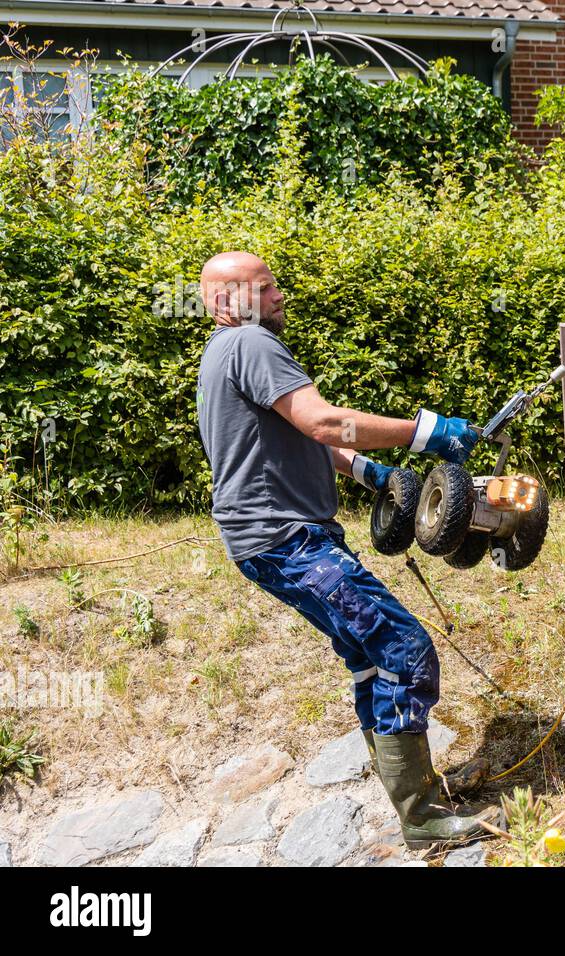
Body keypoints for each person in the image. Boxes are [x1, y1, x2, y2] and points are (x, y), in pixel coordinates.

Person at [195, 250, 495, 848]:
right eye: (264, 287)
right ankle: (423, 820)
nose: (279, 296)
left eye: (276, 285)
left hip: (275, 538)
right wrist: (426, 432)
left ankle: (420, 792)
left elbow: (303, 432)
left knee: (369, 659)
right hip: (287, 540)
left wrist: (369, 473)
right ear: (226, 302)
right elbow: (324, 421)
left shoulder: (224, 352)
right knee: (405, 648)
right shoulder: (250, 344)